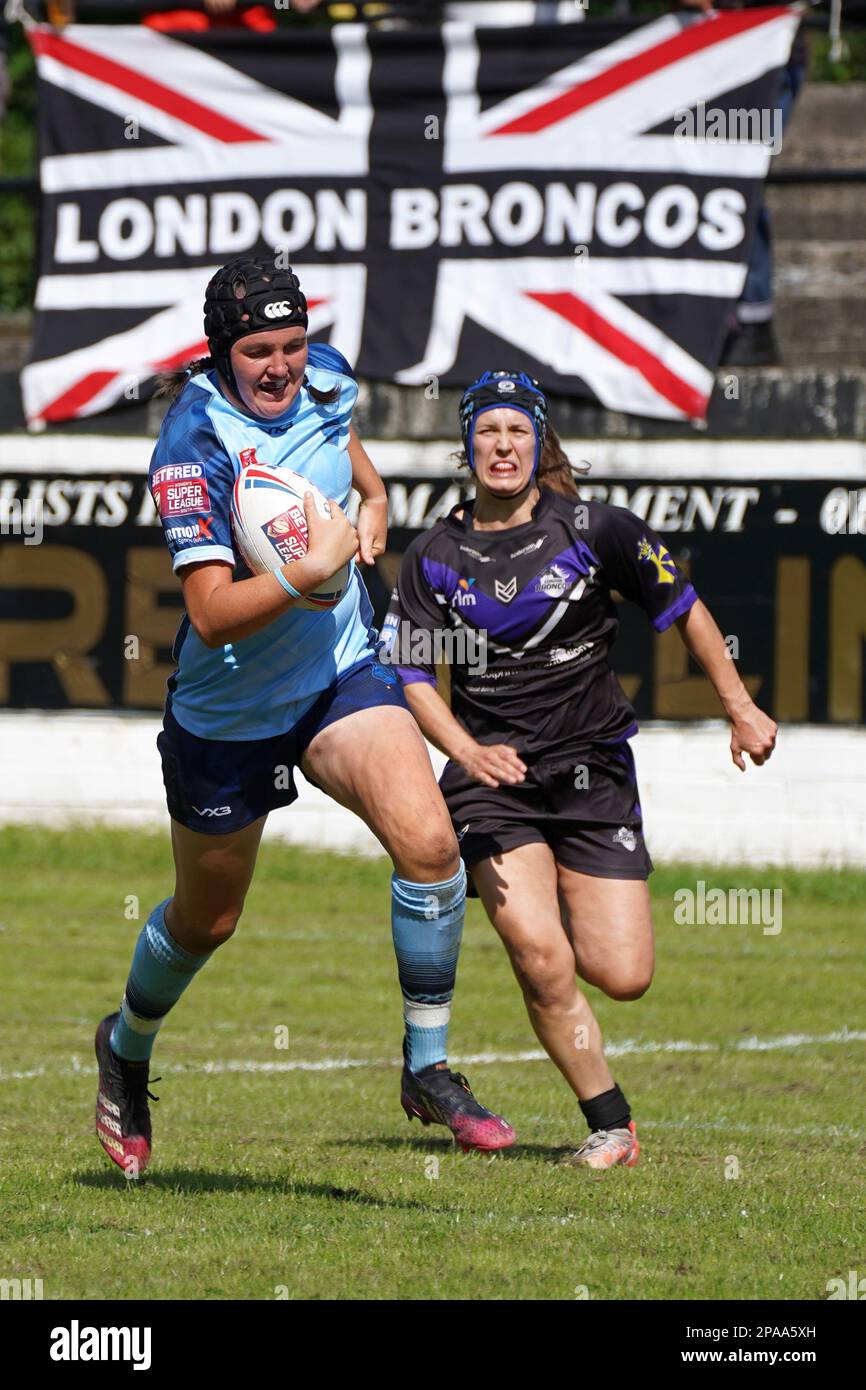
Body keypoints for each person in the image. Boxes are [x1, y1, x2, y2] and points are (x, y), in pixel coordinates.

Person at [93, 256, 515, 1177]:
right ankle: (125, 1046)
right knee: (210, 921)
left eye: (291, 343)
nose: (281, 366)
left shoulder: (329, 380)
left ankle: (427, 1065)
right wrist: (307, 570)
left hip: (339, 675)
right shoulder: (192, 440)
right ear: (223, 351)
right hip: (230, 708)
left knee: (433, 847)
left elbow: (357, 469)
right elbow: (207, 611)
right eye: (258, 351)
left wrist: (371, 509)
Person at [384, 370, 777, 1168]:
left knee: (623, 974)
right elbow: (414, 675)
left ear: (538, 443)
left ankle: (562, 905)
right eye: (487, 432)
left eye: (517, 432)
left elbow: (685, 609)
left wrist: (740, 706)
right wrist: (462, 750)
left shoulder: (598, 531)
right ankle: (610, 1123)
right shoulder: (433, 554)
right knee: (539, 955)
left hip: (592, 773)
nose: (502, 447)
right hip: (493, 784)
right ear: (466, 446)